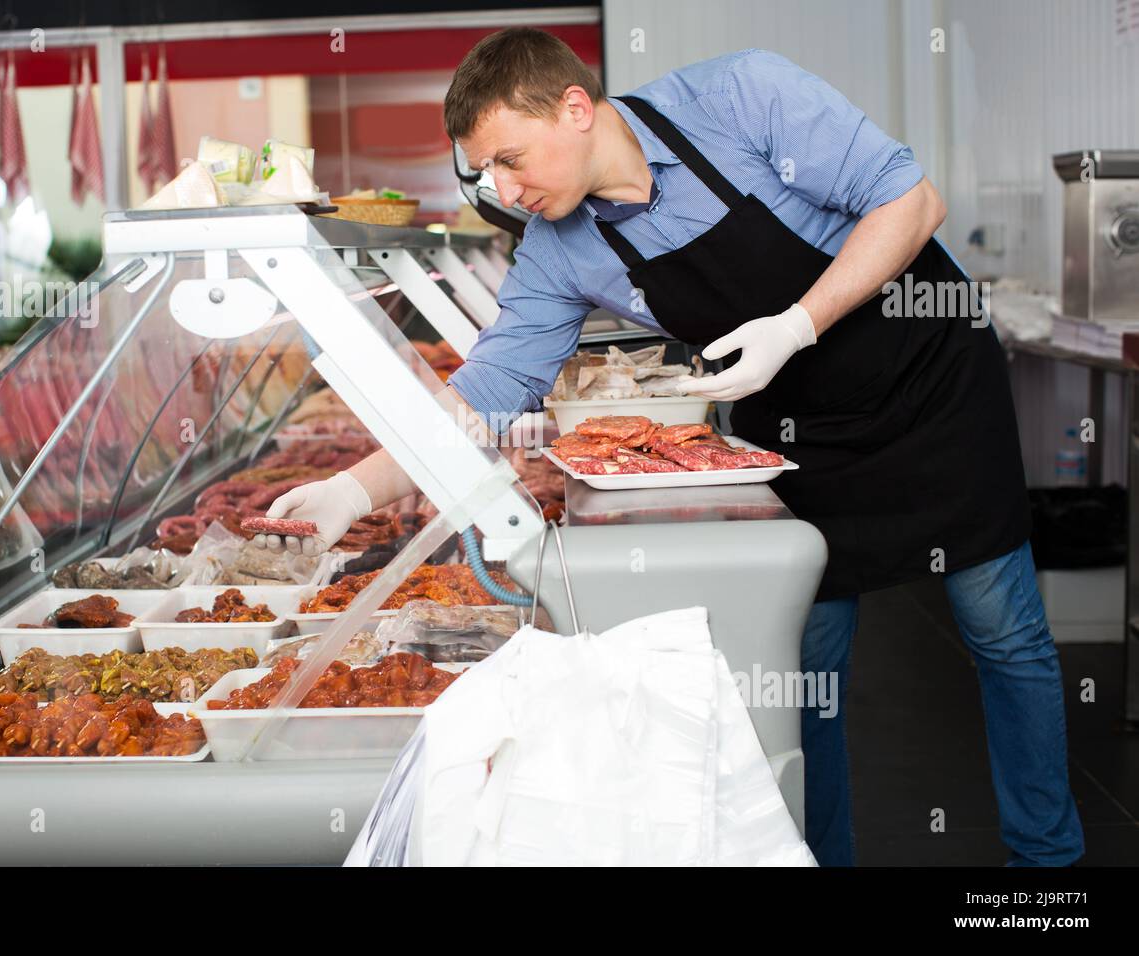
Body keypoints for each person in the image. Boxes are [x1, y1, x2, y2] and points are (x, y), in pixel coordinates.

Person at [255, 28, 1083, 867]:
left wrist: (796, 326)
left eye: (509, 159)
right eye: (485, 172)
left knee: (1001, 631)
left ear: (576, 109)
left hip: (931, 380)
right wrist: (352, 493)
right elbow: (486, 390)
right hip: (797, 432)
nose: (500, 188)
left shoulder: (743, 97)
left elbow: (913, 203)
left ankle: (1047, 867)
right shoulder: (558, 250)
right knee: (807, 666)